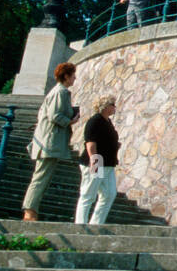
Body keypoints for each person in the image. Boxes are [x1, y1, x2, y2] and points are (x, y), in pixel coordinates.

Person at [22, 62, 78, 221]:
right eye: (73, 74)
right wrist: (71, 121)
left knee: (42, 176)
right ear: (66, 76)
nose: (75, 78)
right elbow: (55, 115)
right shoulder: (60, 92)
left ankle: (32, 210)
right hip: (49, 141)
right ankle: (30, 211)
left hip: (48, 140)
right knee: (41, 177)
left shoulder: (58, 92)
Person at [75, 95, 120, 225]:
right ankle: (80, 225)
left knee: (109, 194)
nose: (115, 107)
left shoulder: (107, 121)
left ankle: (96, 224)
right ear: (105, 106)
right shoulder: (95, 121)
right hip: (97, 162)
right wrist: (95, 163)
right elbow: (90, 143)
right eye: (112, 104)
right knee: (88, 194)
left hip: (108, 164)